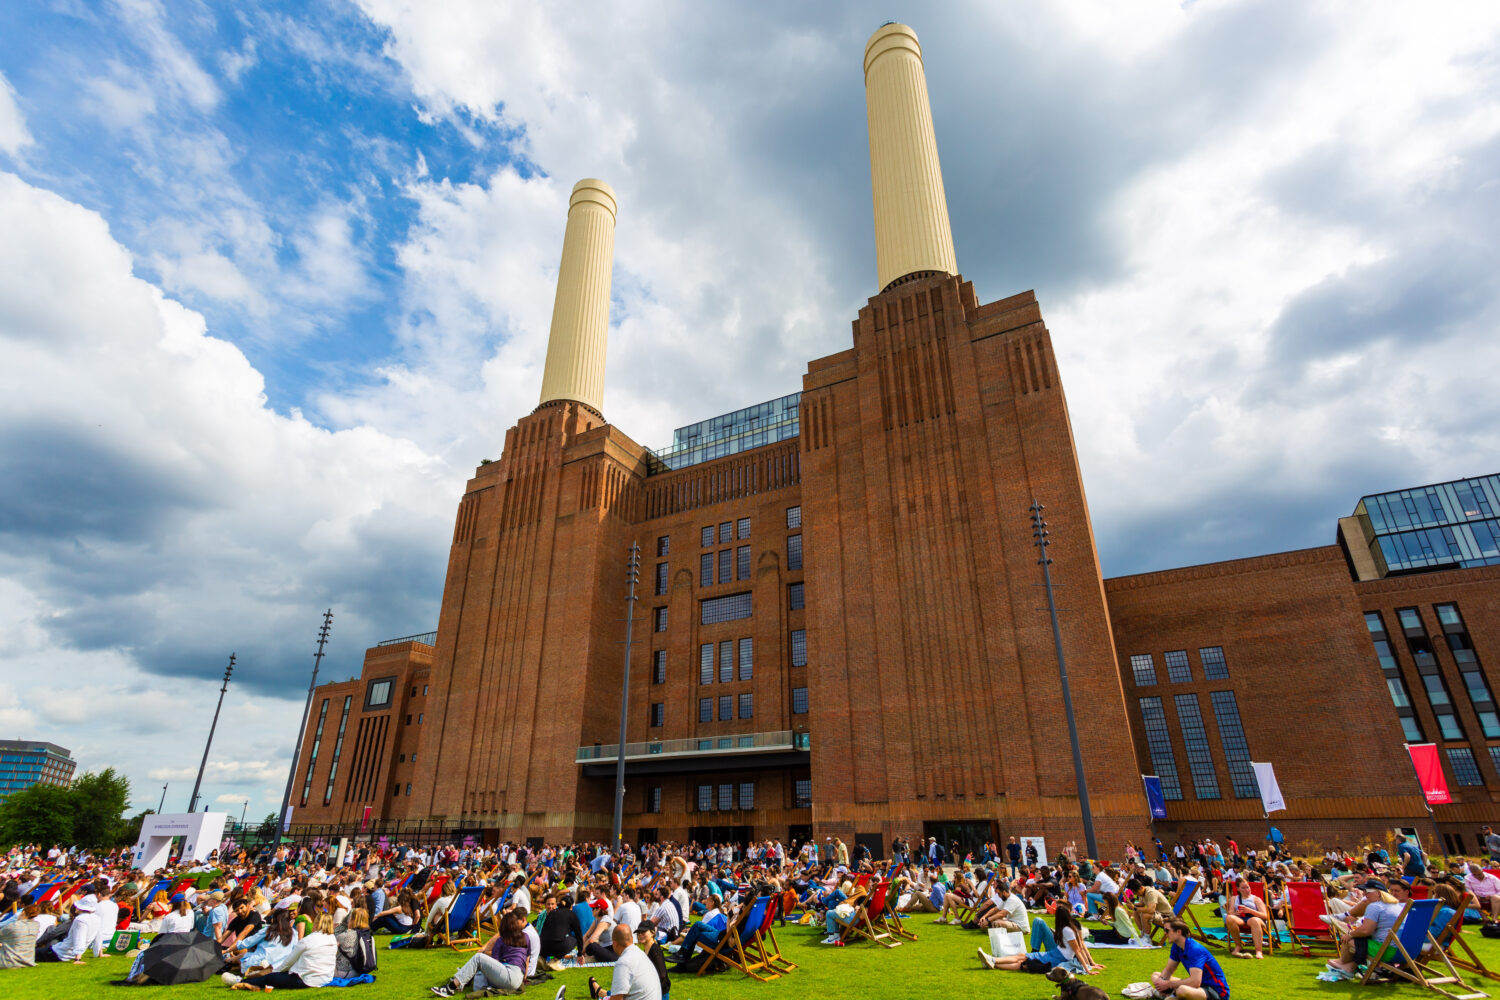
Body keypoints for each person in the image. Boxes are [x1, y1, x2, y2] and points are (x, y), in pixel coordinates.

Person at [429, 911, 532, 997]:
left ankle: (451, 988)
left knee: (479, 958)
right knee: (480, 971)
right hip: (518, 978)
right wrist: (524, 979)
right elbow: (527, 960)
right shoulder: (526, 937)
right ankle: (473, 985)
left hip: (509, 977)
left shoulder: (501, 940)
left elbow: (495, 961)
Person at [229, 912, 338, 990]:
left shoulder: (308, 940)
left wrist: (274, 971)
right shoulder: (333, 940)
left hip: (306, 979)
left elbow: (288, 962)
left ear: (317, 923)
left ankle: (242, 982)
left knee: (270, 978)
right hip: (325, 978)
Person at [1326, 878, 1401, 978]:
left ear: (1379, 893)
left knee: (1347, 938)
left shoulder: (1375, 906)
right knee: (1356, 937)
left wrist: (1350, 934)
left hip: (1387, 951)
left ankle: (1344, 964)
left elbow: (1366, 930)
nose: (1365, 894)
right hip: (1403, 951)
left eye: (1368, 891)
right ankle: (1349, 966)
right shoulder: (1396, 906)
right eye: (1364, 891)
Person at [1152, 918, 1230, 1000]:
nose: (1165, 933)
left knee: (1182, 990)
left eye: (1167, 930)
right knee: (1156, 976)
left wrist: (1168, 984)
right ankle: (1169, 995)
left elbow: (1195, 982)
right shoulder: (1176, 946)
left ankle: (1172, 995)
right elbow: (1169, 970)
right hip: (1199, 987)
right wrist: (1160, 985)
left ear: (1178, 932)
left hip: (1216, 991)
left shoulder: (1194, 949)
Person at [1223, 879, 1269, 959]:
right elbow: (1230, 913)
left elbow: (1265, 916)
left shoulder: (1256, 899)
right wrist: (1235, 913)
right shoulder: (1234, 898)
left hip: (1254, 919)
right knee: (1229, 918)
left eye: (1247, 887)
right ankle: (1238, 945)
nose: (1247, 890)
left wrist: (1250, 911)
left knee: (1254, 920)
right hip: (1240, 919)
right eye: (1243, 888)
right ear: (1238, 889)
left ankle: (1258, 950)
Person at [0, 900, 40, 968]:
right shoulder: (36, 926)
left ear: (23, 912)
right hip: (28, 960)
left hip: (8, 961)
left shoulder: (13, 926)